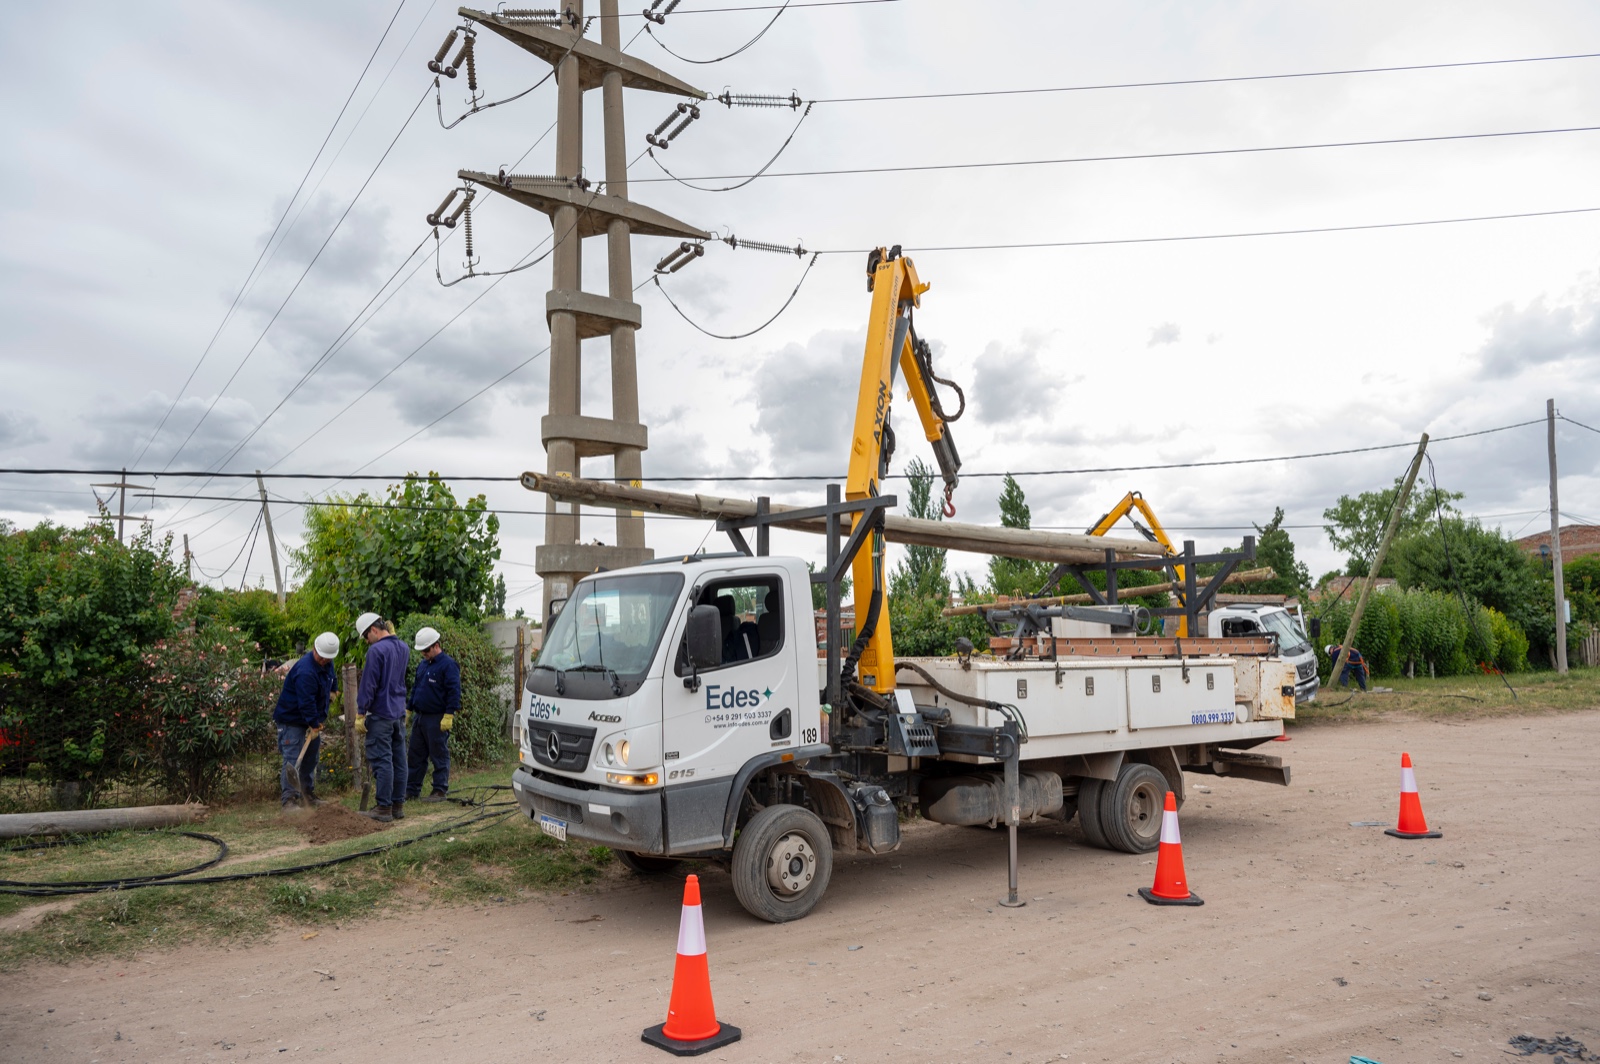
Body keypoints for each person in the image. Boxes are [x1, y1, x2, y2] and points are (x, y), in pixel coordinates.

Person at [272, 632, 341, 810]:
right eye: (320, 656)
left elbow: (332, 676)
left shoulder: (327, 662)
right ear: (315, 648)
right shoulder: (306, 671)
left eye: (327, 658)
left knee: (311, 758)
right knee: (293, 758)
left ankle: (307, 795)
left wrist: (333, 690)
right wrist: (314, 723)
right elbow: (306, 702)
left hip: (311, 719)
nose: (323, 660)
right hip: (292, 719)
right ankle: (289, 801)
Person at [356, 612, 410, 823]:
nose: (367, 641)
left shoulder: (376, 651)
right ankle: (397, 806)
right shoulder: (403, 647)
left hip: (380, 714)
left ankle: (383, 807)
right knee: (399, 760)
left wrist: (361, 712)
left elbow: (369, 684)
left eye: (366, 636)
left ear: (374, 630)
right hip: (398, 713)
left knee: (382, 760)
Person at [406, 626, 460, 803]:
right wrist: (409, 708)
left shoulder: (448, 665)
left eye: (426, 650)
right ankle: (412, 790)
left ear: (436, 645)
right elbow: (416, 688)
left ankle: (439, 789)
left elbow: (454, 691)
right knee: (415, 755)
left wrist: (449, 714)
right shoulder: (422, 665)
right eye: (422, 651)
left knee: (438, 754)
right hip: (420, 718)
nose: (424, 654)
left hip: (437, 718)